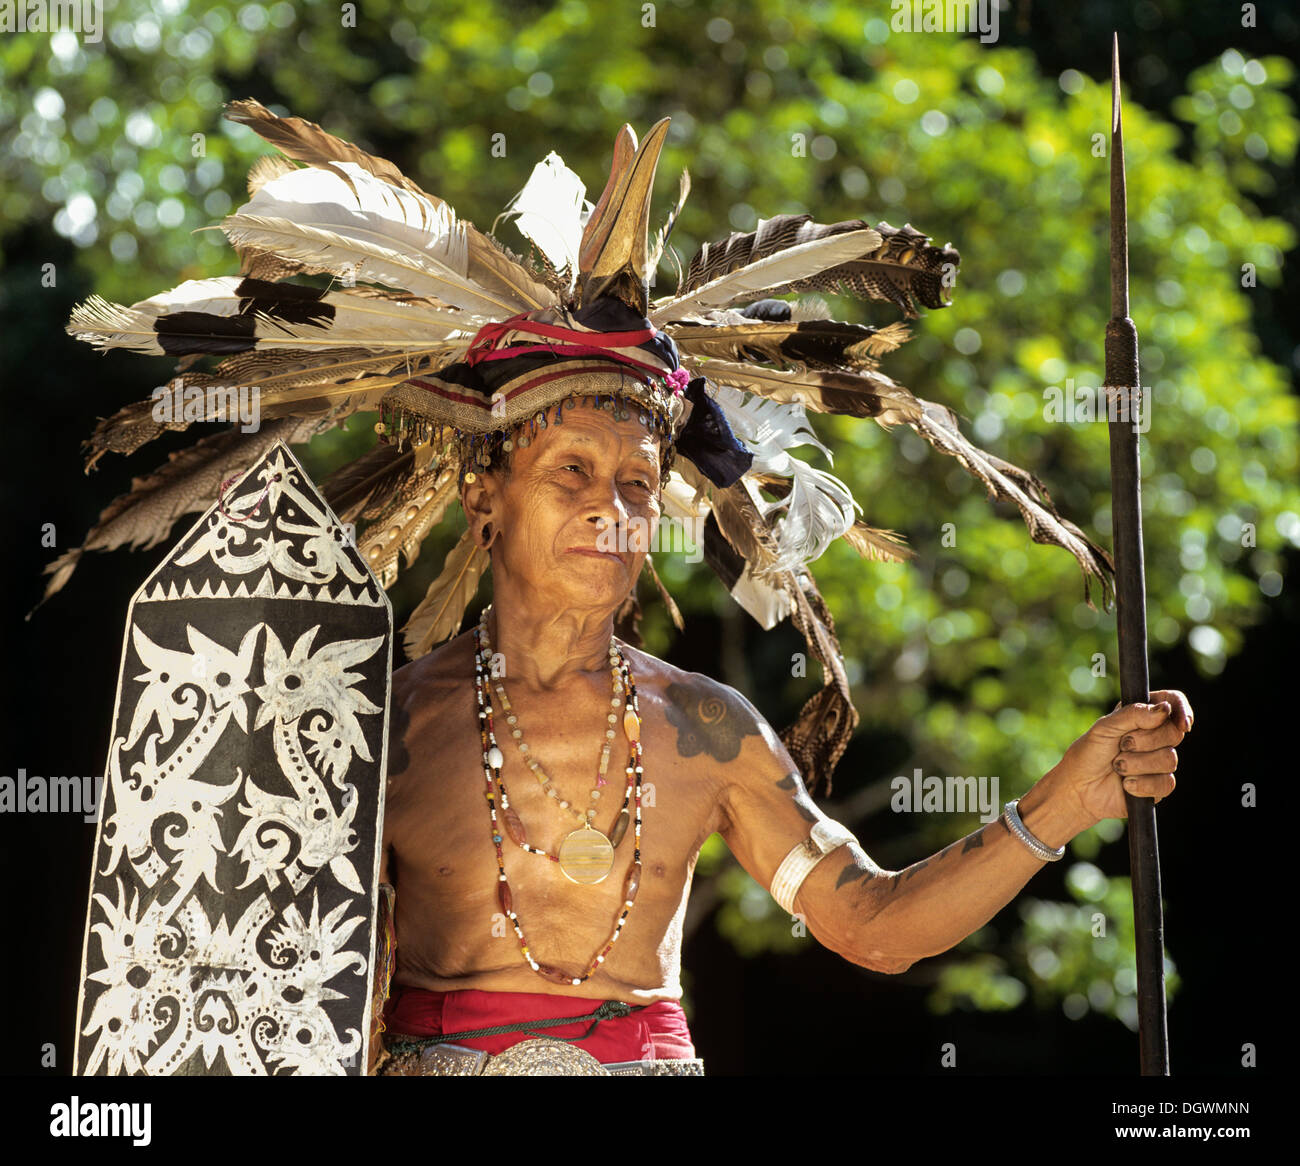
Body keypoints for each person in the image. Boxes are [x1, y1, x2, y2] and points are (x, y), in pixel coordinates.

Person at [371, 384, 1192, 1075]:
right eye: (572, 471)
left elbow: (874, 929)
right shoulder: (385, 728)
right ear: (485, 503)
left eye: (637, 481)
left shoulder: (703, 727)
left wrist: (1066, 803)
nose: (609, 508)